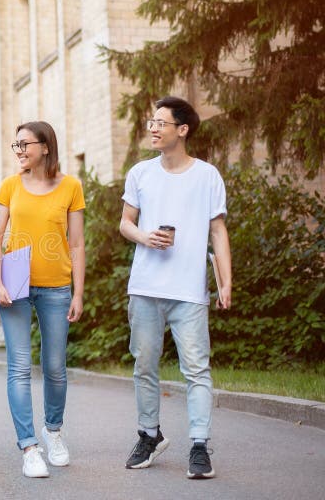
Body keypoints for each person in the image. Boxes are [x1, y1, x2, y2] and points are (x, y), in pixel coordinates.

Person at [119, 96, 232, 479]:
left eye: (161, 122)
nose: (153, 127)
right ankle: (149, 435)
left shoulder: (207, 175)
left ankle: (199, 445)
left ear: (182, 130)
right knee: (144, 365)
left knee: (197, 370)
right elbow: (125, 223)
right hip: (146, 288)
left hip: (188, 292)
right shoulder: (140, 173)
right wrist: (145, 237)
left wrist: (226, 282)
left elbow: (218, 230)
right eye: (151, 121)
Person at [0, 121, 86, 478]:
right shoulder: (10, 185)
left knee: (56, 367)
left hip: (57, 287)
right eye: (16, 145)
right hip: (15, 287)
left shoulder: (70, 186)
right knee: (18, 367)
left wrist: (78, 291)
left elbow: (76, 243)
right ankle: (29, 447)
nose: (19, 151)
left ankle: (53, 431)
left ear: (46, 146)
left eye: (25, 144)